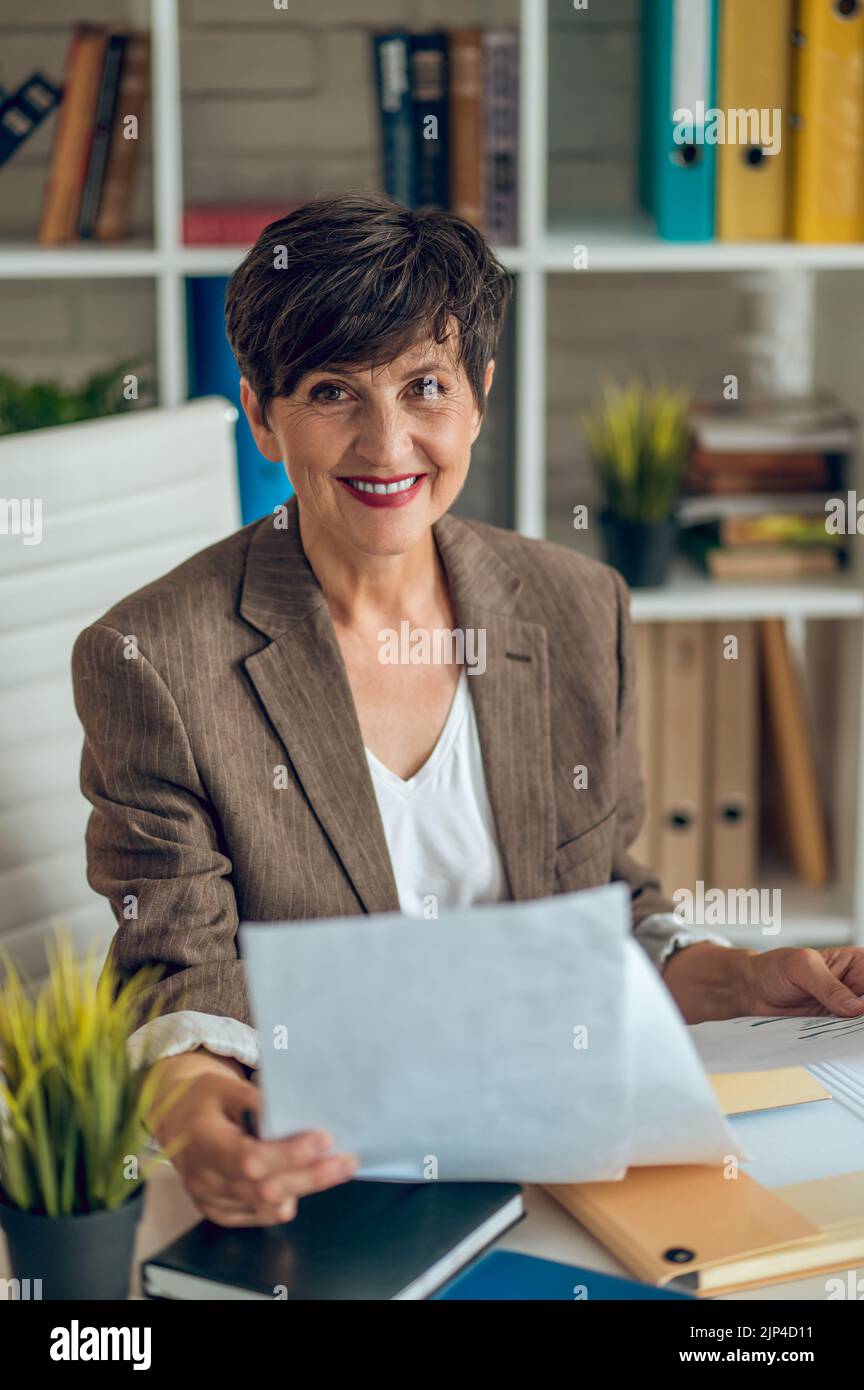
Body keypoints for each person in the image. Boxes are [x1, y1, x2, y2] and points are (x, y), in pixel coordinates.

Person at [72, 192, 864, 1229]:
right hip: (326, 1183)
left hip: (563, 1158)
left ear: (480, 398)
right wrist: (194, 1110)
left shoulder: (579, 608)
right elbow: (180, 975)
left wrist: (750, 979)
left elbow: (601, 915)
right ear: (262, 415)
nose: (388, 441)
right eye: (331, 393)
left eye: (425, 386)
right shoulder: (155, 659)